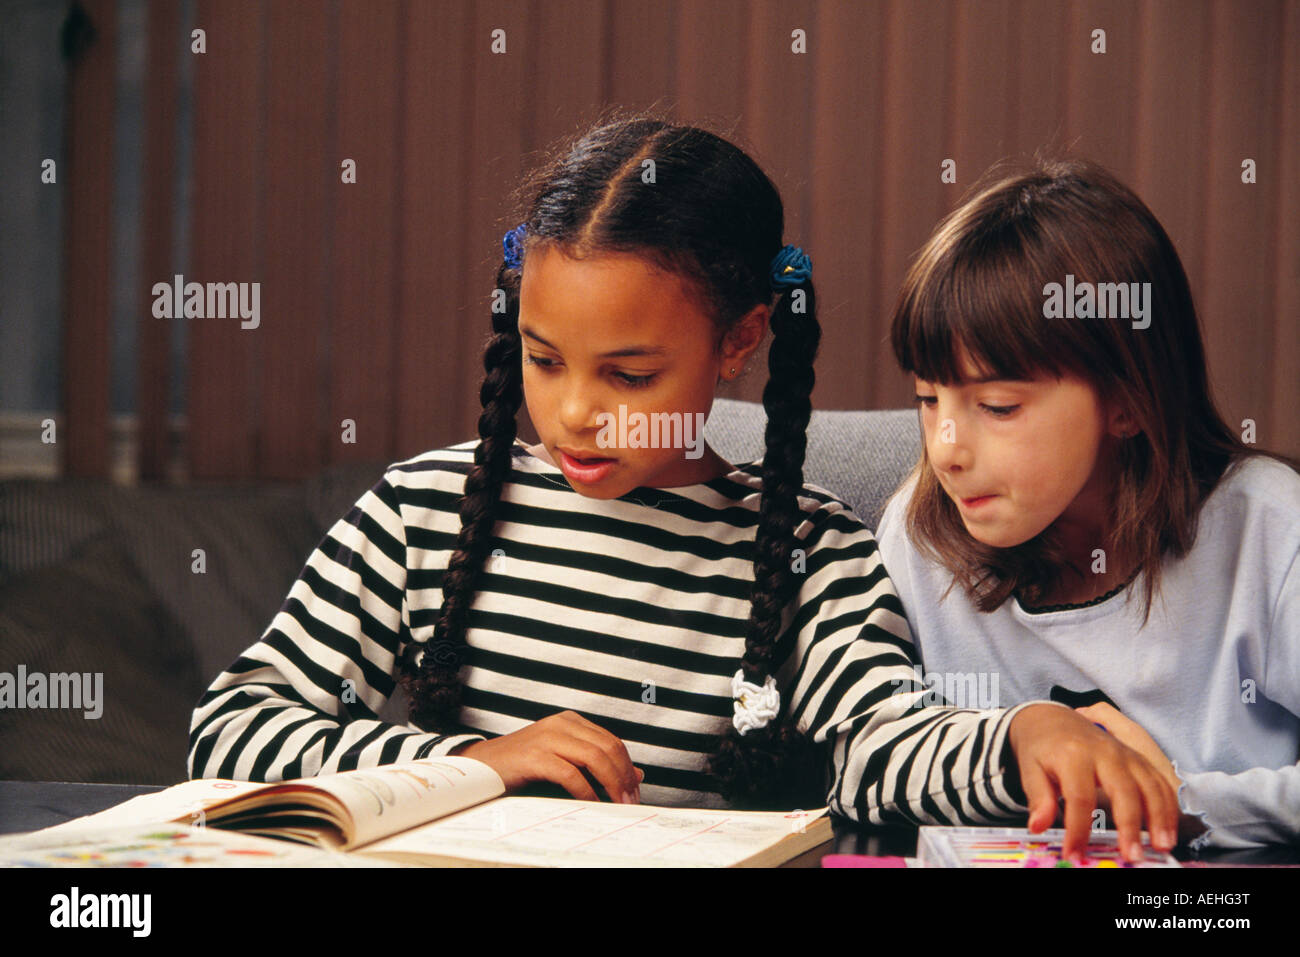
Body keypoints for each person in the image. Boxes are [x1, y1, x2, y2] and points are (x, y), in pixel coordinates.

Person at [189, 117, 1179, 860]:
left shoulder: (809, 551)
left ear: (739, 341)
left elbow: (880, 751)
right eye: (543, 359)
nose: (575, 413)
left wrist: (1023, 740)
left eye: (628, 376)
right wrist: (469, 766)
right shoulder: (422, 512)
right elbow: (230, 731)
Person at [875, 155, 1300, 851]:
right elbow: (867, 752)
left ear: (1128, 400)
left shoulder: (1267, 530)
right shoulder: (920, 537)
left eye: (997, 405)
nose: (946, 446)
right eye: (928, 399)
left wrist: (1176, 802)